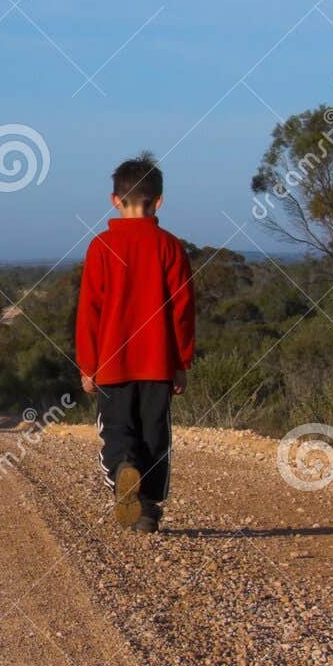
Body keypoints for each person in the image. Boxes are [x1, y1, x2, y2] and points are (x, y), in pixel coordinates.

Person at [74, 153, 195, 531]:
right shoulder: (171, 247)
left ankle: (124, 467)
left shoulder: (101, 246)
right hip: (158, 362)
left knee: (118, 429)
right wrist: (181, 362)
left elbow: (89, 311)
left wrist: (87, 366)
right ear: (158, 200)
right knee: (154, 432)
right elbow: (183, 311)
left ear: (115, 200)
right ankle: (147, 507)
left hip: (111, 362)